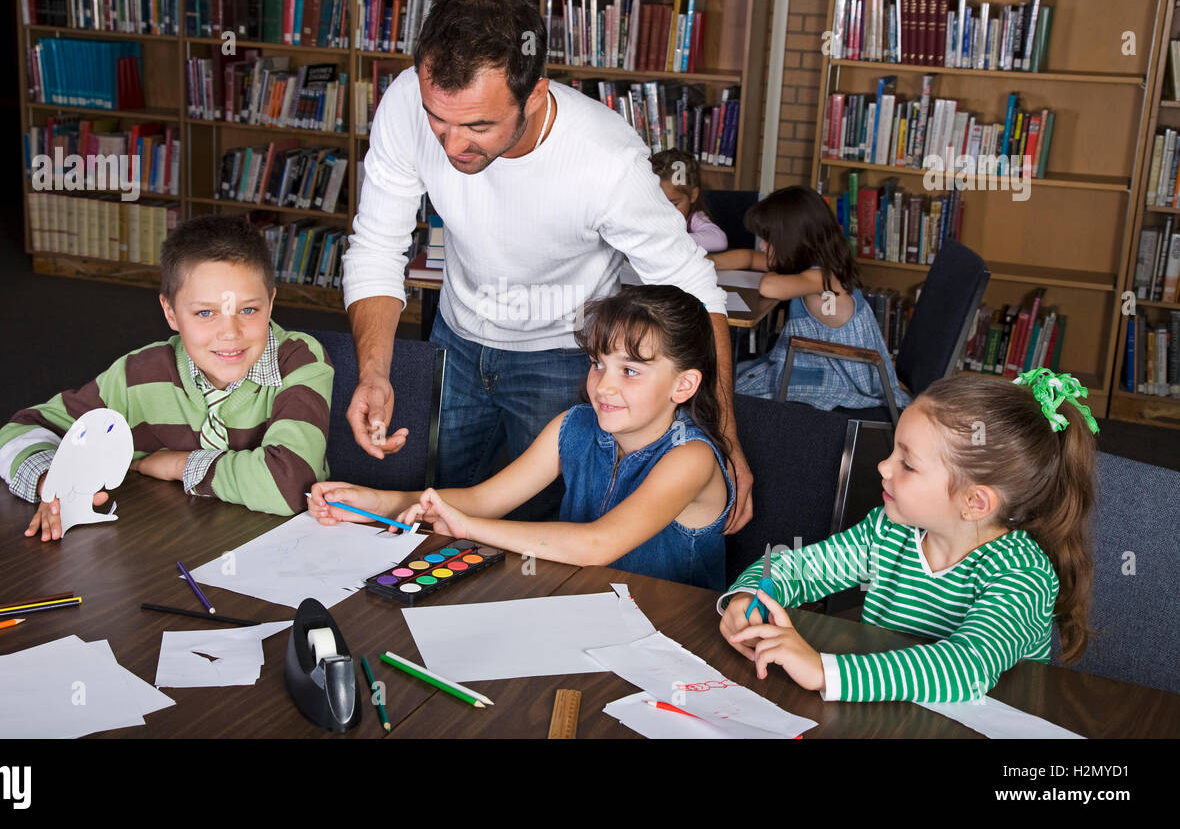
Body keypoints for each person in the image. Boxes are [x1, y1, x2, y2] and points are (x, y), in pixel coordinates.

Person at [340, 0, 753, 527]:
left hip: (563, 356)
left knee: (533, 525)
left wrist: (725, 438)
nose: (450, 145)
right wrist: (374, 372)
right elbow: (376, 245)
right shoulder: (404, 105)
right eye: (438, 119)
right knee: (441, 510)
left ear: (534, 95)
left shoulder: (606, 161)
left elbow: (696, 291)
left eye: (478, 126)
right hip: (457, 340)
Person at [308, 287, 734, 589]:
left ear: (684, 386)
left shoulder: (691, 458)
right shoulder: (573, 425)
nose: (603, 385)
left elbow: (597, 545)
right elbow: (483, 499)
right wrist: (372, 502)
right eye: (597, 363)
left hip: (673, 637)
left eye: (630, 371)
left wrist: (470, 528)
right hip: (585, 610)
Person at [718, 369, 1097, 701]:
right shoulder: (888, 530)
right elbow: (796, 568)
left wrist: (823, 671)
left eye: (908, 464)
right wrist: (750, 597)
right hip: (887, 712)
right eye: (892, 452)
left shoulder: (1021, 575)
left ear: (975, 502)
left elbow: (966, 668)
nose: (883, 467)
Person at [0, 215, 334, 539]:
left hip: (279, 554)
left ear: (271, 303)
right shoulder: (139, 376)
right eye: (205, 313)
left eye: (248, 309)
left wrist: (179, 464)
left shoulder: (299, 361)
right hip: (166, 546)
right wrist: (52, 483)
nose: (229, 333)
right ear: (170, 312)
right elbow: (22, 430)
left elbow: (287, 485)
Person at [731, 185, 911, 411]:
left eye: (769, 240)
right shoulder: (821, 268)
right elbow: (748, 257)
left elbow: (769, 287)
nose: (762, 245)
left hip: (841, 381)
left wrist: (777, 264)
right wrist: (704, 260)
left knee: (730, 389)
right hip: (825, 367)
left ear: (792, 241)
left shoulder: (820, 278)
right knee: (734, 376)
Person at [650, 148, 729, 255]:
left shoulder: (694, 218)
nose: (667, 211)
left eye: (674, 204)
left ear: (693, 195)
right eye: (658, 203)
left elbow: (720, 240)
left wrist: (671, 240)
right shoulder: (646, 214)